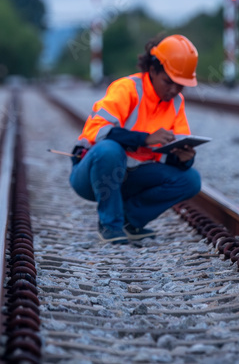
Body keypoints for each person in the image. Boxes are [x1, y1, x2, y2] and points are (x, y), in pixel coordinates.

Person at [69, 34, 203, 243]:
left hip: (131, 176)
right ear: (152, 70)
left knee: (190, 180)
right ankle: (110, 226)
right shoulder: (127, 89)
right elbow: (97, 130)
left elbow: (174, 152)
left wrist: (185, 158)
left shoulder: (176, 102)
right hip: (91, 175)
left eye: (180, 85)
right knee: (109, 150)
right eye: (168, 82)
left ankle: (128, 221)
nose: (174, 90)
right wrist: (145, 139)